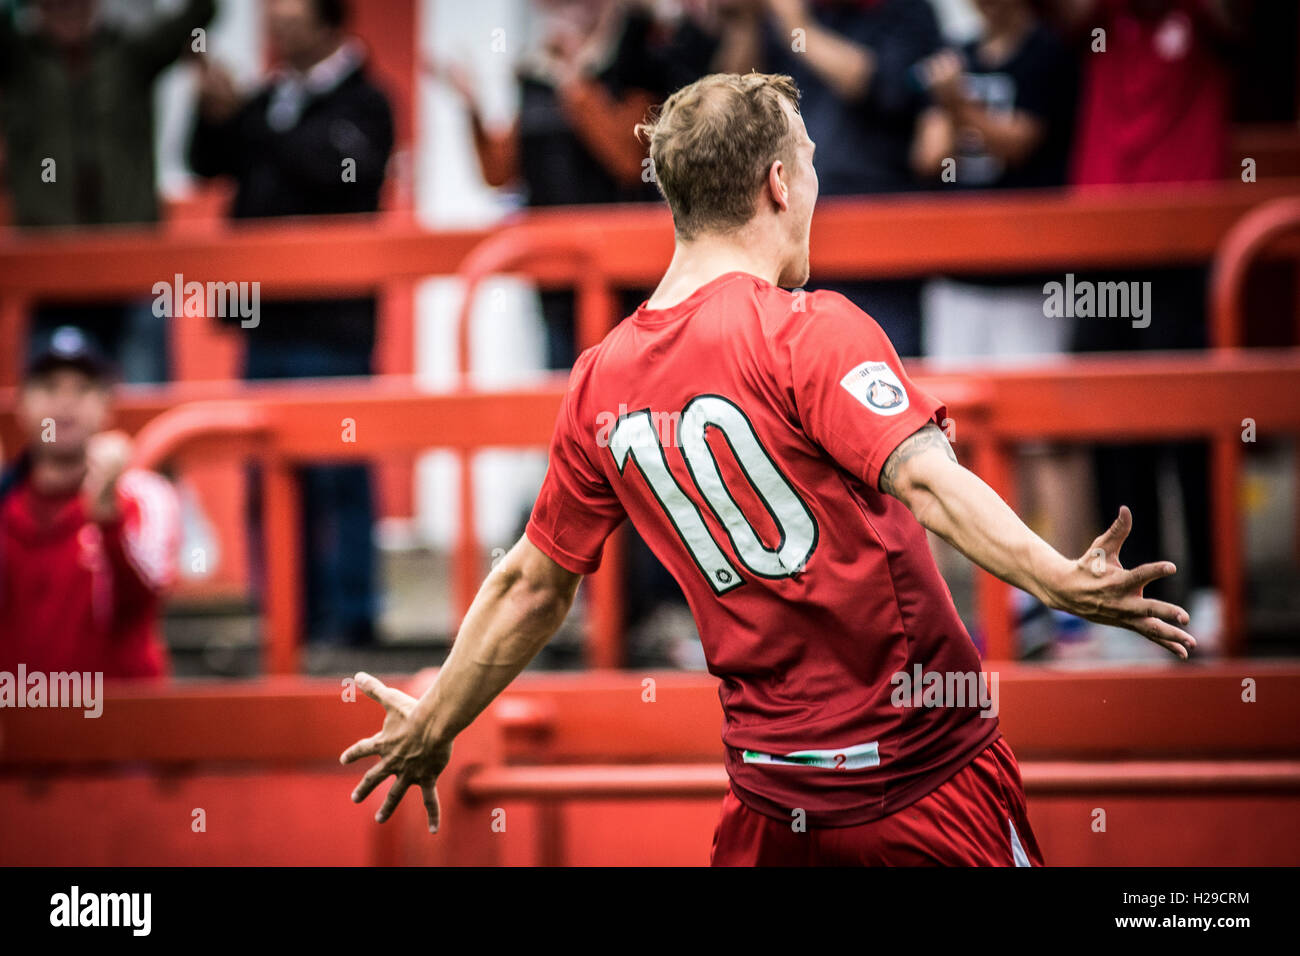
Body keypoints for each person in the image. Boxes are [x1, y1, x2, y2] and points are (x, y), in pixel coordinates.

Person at [340, 73, 1194, 866]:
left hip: (771, 801)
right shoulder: (809, 330)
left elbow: (531, 583)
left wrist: (437, 720)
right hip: (924, 784)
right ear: (779, 185)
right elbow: (929, 479)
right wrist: (1057, 578)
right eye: (813, 165)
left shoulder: (600, 378)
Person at [188, 0, 394, 646]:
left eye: (292, 7)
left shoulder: (367, 101)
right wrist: (210, 105)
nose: (277, 19)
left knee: (338, 476)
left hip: (332, 325)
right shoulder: (267, 100)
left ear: (330, 19)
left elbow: (342, 173)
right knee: (265, 475)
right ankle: (284, 616)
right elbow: (204, 161)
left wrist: (259, 120)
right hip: (264, 321)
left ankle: (350, 619)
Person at [910, 0, 1086, 656]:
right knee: (951, 442)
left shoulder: (1046, 54)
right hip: (958, 273)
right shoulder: (958, 59)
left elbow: (1022, 143)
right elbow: (927, 154)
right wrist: (953, 106)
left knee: (1046, 440)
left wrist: (959, 109)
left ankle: (1065, 596)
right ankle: (980, 600)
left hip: (1029, 275)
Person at [0, 0, 216, 382]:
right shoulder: (18, 61)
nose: (68, 12)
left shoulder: (131, 55)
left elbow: (199, 13)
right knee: (51, 415)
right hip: (51, 274)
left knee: (144, 400)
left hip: (133, 267)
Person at [0, 326, 180, 679]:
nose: (65, 403)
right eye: (50, 388)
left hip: (118, 722)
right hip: (18, 723)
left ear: (107, 406)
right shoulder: (6, 502)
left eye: (82, 389)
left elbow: (146, 595)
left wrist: (109, 518)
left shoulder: (144, 495)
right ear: (21, 404)